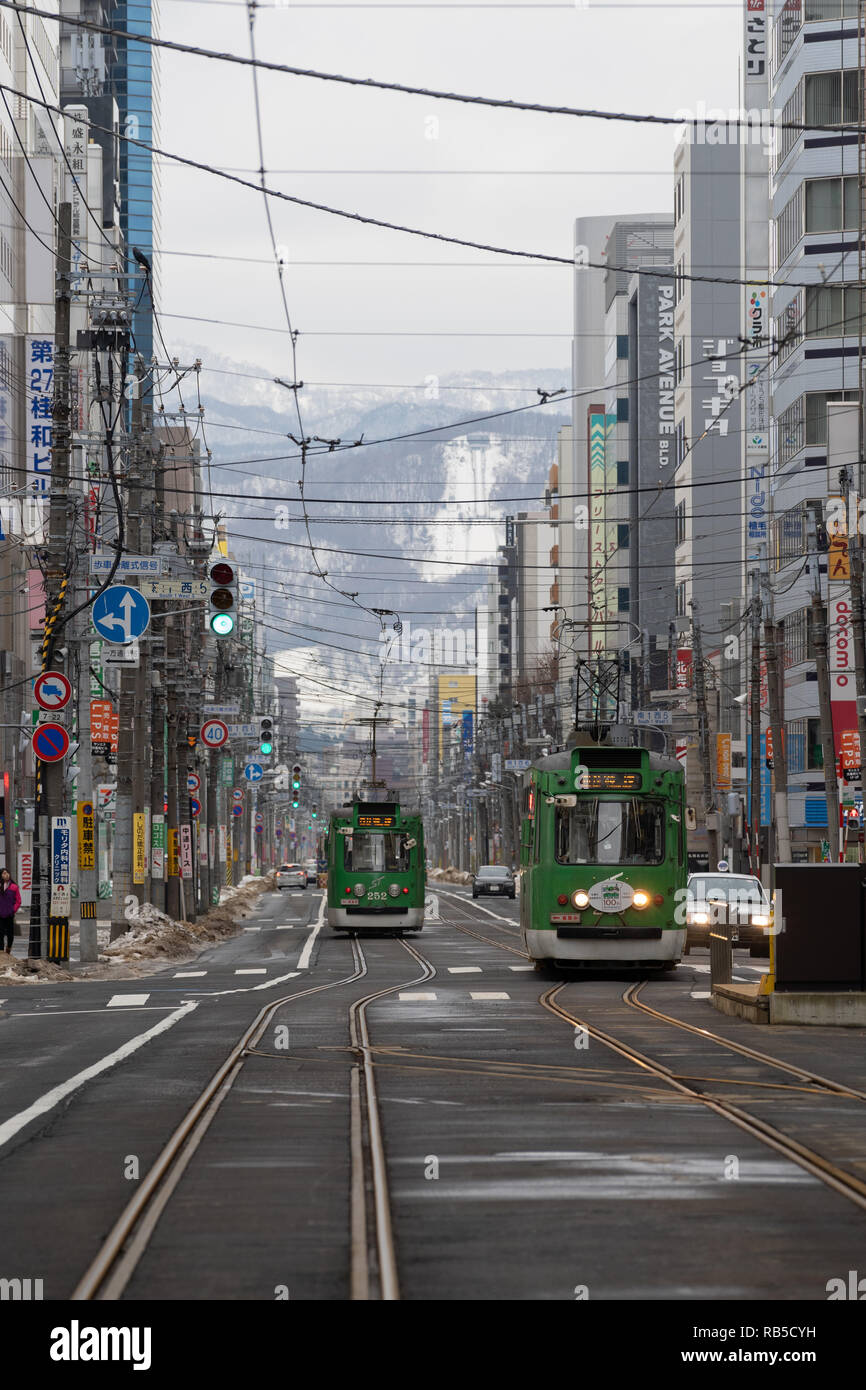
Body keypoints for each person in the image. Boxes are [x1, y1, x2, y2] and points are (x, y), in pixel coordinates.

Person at [0, 867, 21, 952]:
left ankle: (8, 948)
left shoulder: (14, 887)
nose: (6, 875)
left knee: (10, 934)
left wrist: (13, 910)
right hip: (0, 914)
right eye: (4, 873)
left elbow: (18, 901)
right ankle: (1, 952)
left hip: (9, 914)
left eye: (7, 873)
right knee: (0, 934)